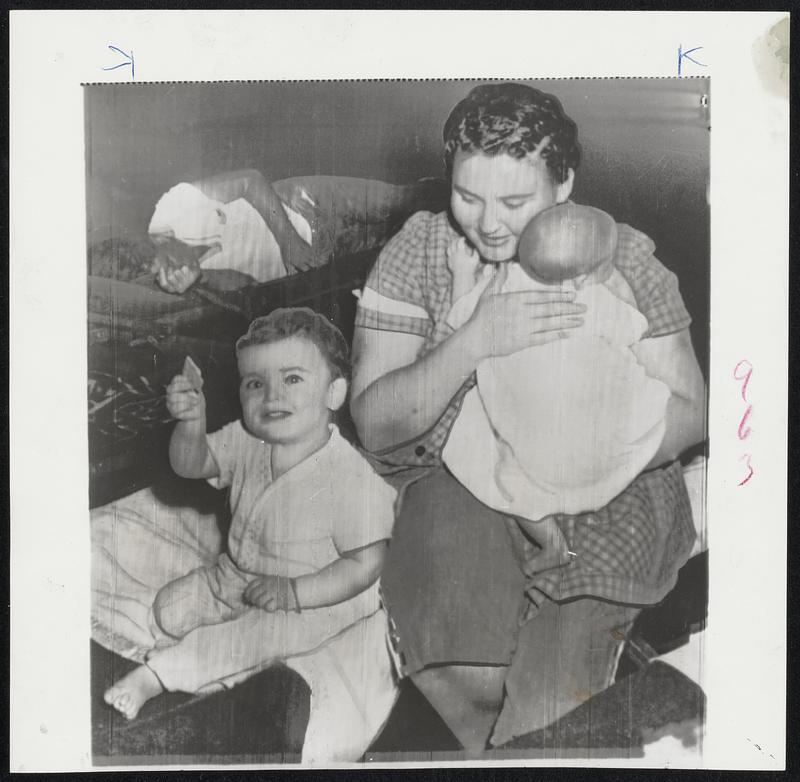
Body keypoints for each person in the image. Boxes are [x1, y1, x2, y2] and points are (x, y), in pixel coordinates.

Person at [349, 83, 705, 755]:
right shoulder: (425, 248)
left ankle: (551, 730)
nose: (488, 225)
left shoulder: (614, 250)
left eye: (515, 201)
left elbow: (691, 412)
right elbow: (375, 423)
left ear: (564, 182)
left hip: (614, 478)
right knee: (463, 670)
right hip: (470, 475)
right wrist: (474, 340)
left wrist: (571, 466)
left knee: (546, 710)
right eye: (467, 195)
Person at [103, 309, 397, 734]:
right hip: (238, 576)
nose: (272, 395)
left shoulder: (349, 479)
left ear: (334, 393)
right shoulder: (248, 439)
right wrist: (191, 424)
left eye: (293, 378)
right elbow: (192, 464)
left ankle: (157, 677)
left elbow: (367, 562)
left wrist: (297, 592)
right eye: (255, 383)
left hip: (317, 598)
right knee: (168, 612)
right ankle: (216, 654)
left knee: (246, 640)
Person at [443, 201, 671, 581]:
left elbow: (460, 319)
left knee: (490, 454)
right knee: (634, 380)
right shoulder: (598, 300)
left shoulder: (499, 288)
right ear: (583, 280)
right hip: (603, 454)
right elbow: (635, 329)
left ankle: (552, 542)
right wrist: (619, 288)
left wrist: (463, 273)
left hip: (539, 465)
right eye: (606, 268)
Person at [148, 171, 448, 294]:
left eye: (153, 262)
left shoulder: (176, 205)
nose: (158, 271)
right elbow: (248, 285)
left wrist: (289, 241)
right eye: (147, 274)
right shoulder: (180, 285)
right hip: (318, 262)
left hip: (306, 201)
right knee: (407, 243)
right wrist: (202, 278)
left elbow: (250, 180)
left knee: (405, 200)